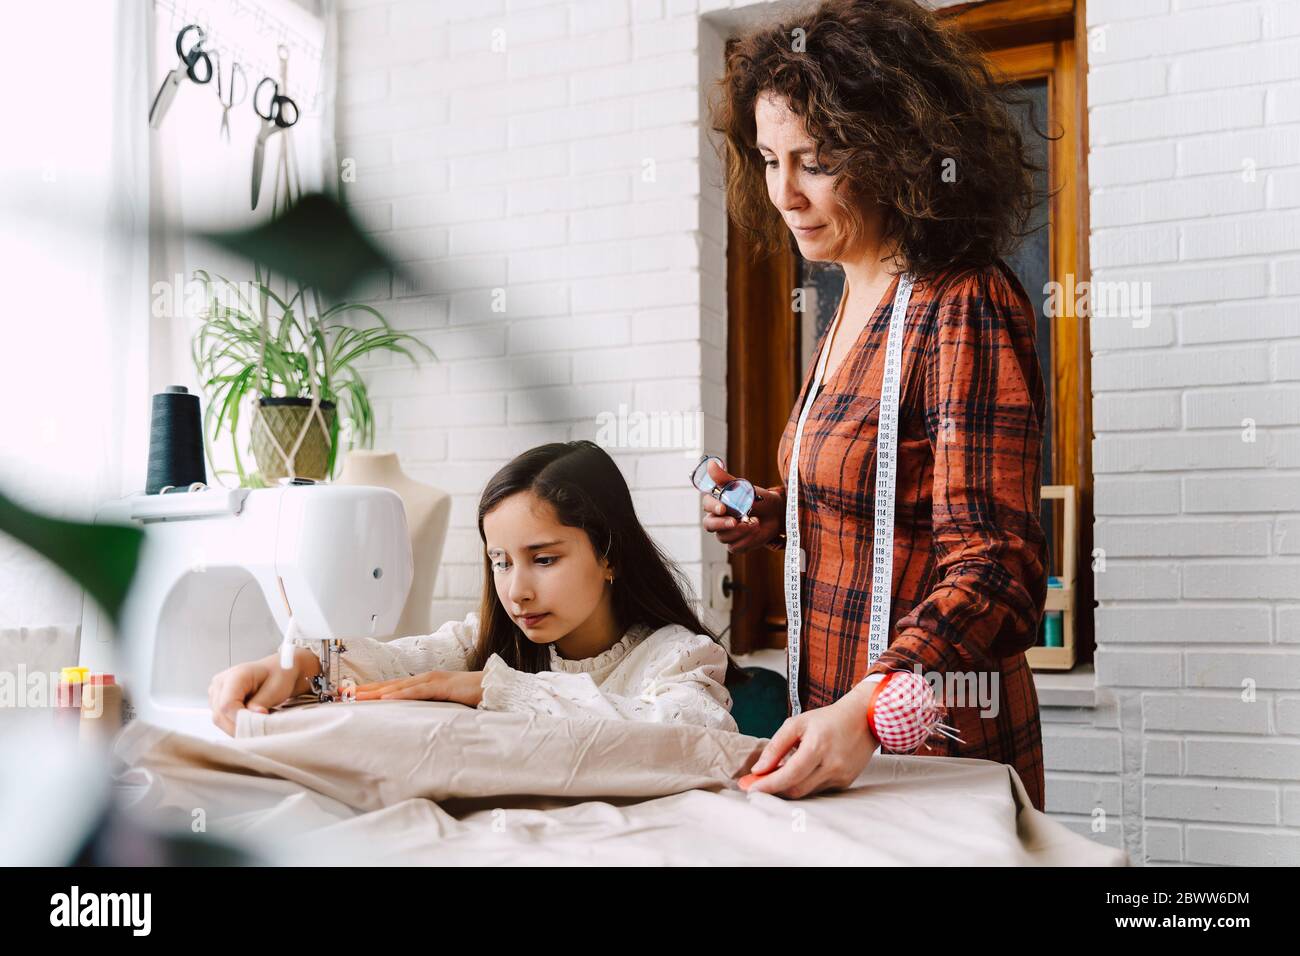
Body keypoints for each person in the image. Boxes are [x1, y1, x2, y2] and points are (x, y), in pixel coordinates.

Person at [705, 0, 1050, 808]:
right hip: (831, 724)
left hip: (934, 743)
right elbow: (895, 509)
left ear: (898, 153)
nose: (783, 193)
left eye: (814, 161)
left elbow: (998, 568)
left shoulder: (962, 301)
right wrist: (778, 513)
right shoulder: (847, 303)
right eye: (766, 159)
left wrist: (870, 707)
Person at [209, 441, 741, 736]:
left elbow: (689, 731)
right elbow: (389, 663)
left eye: (545, 559)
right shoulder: (484, 642)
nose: (517, 591)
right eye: (500, 562)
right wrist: (294, 666)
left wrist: (491, 690)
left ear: (610, 556)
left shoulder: (679, 655)